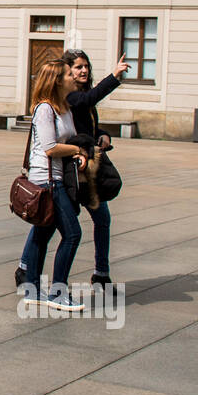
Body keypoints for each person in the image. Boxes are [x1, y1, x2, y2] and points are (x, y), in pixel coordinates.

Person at [16, 59, 89, 312]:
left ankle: (32, 291)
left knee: (42, 232)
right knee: (72, 234)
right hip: (46, 179)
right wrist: (77, 149)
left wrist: (79, 149)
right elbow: (49, 148)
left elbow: (69, 139)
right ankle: (58, 293)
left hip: (57, 176)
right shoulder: (45, 109)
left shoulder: (65, 107)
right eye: (69, 73)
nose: (74, 76)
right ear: (58, 81)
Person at [63, 50, 130, 287]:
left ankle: (101, 273)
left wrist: (103, 136)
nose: (83, 71)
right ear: (67, 71)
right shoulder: (70, 96)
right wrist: (114, 76)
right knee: (50, 224)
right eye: (78, 67)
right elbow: (88, 100)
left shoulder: (83, 96)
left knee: (102, 219)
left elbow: (89, 129)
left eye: (86, 67)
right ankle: (26, 266)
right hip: (72, 172)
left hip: (89, 172)